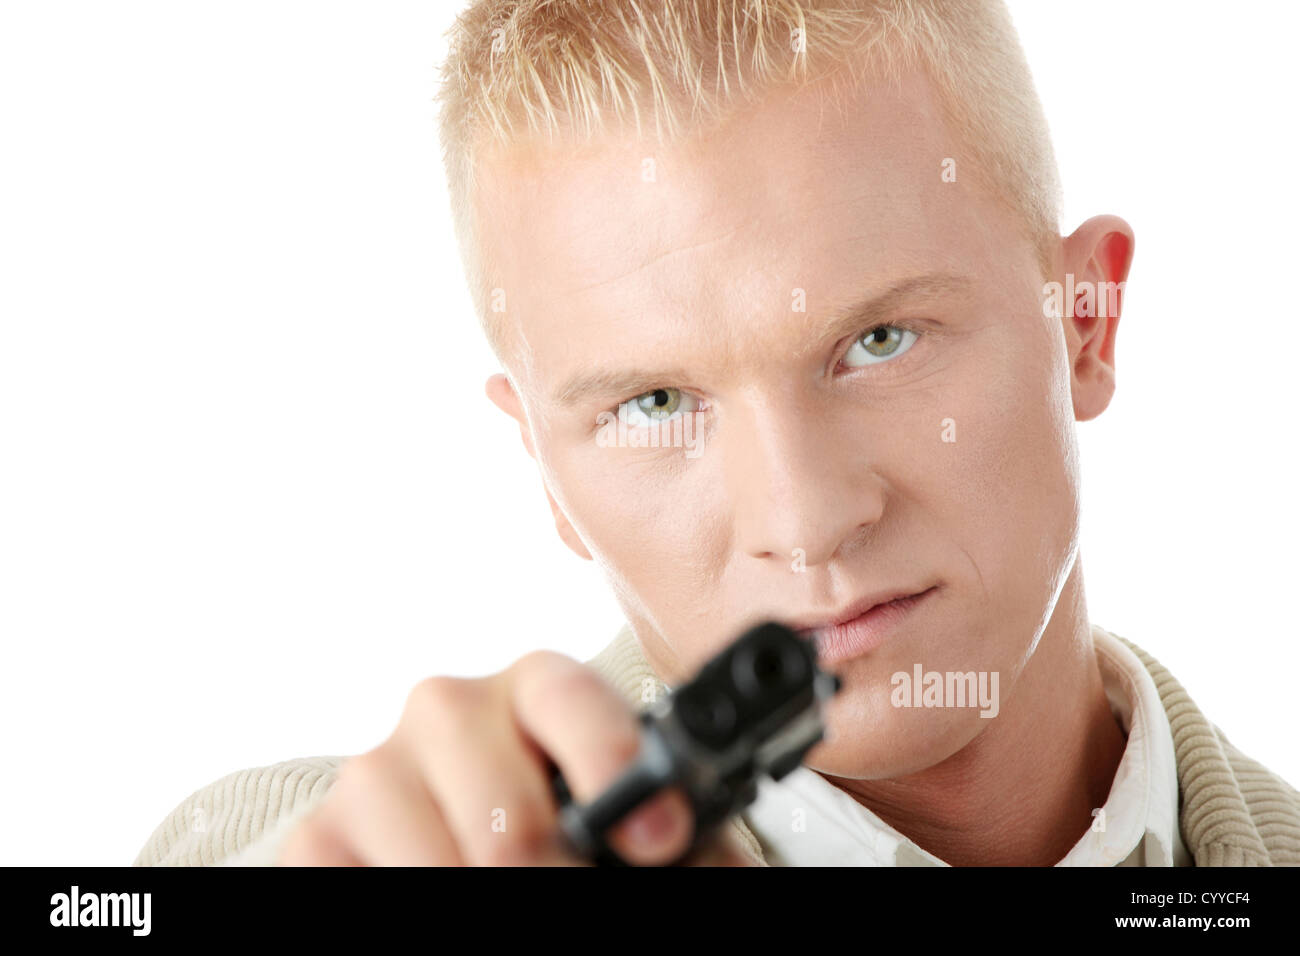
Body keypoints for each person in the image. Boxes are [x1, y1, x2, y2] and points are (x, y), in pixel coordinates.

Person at [135, 0, 1300, 867]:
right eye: (653, 405)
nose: (805, 521)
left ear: (1083, 322)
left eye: (880, 339)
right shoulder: (317, 846)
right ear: (541, 466)